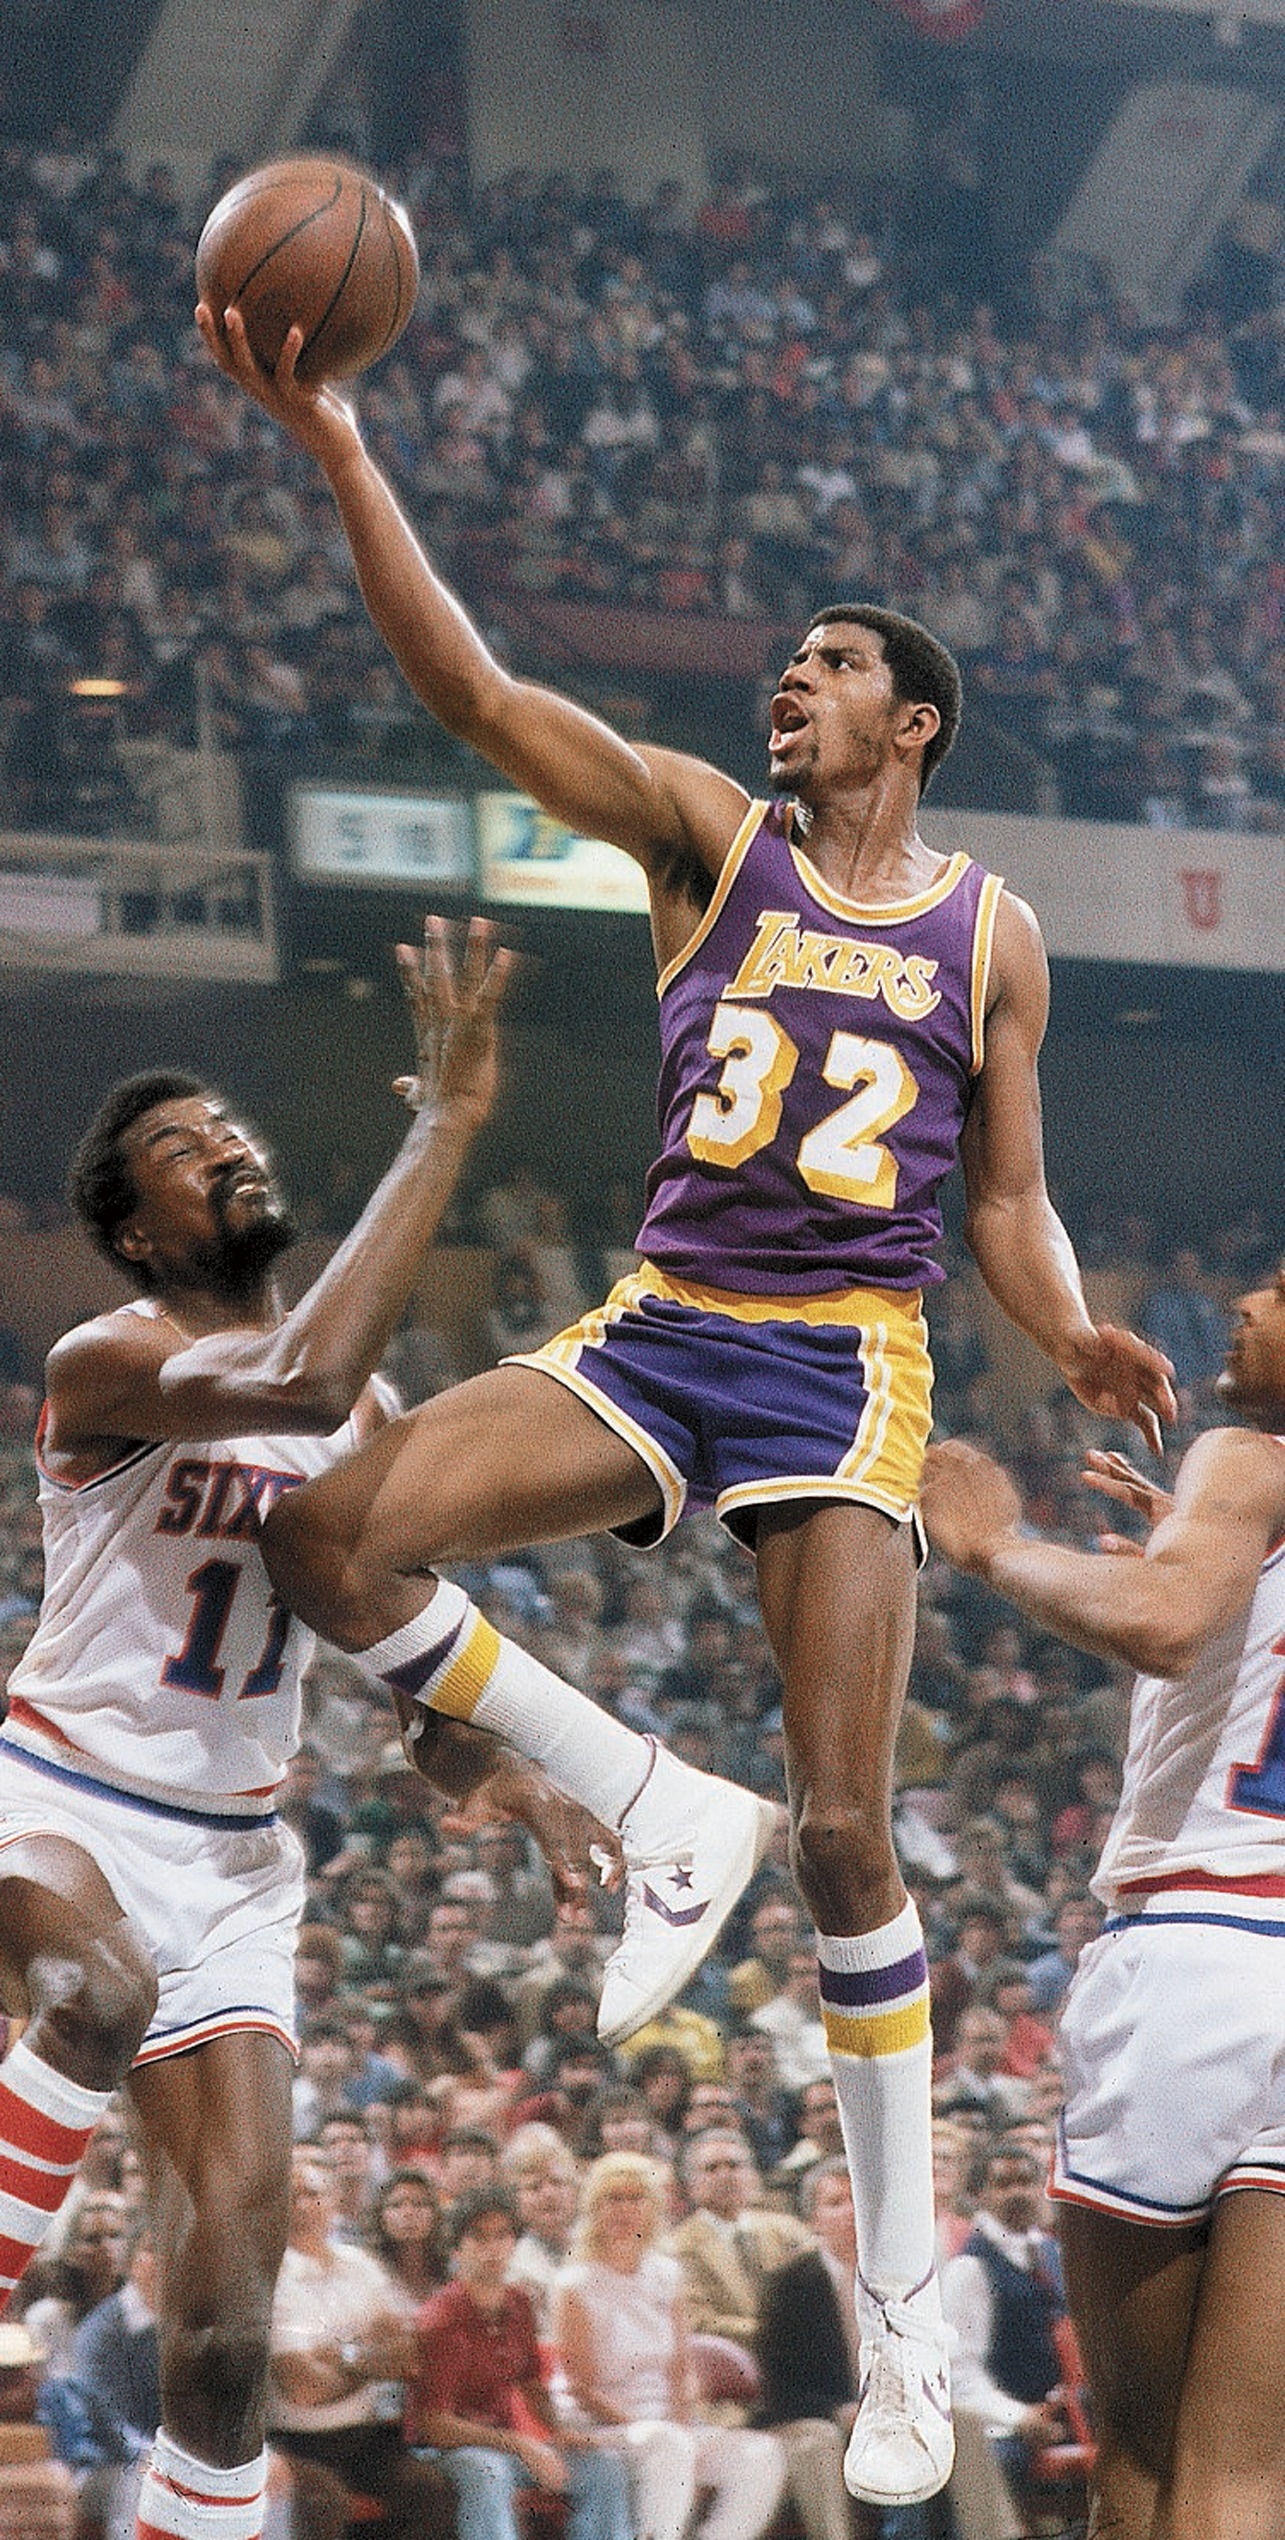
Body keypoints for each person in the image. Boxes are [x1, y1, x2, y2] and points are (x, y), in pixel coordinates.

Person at [200, 295, 1176, 2511]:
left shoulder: (992, 929)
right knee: (331, 1530)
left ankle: (909, 2324)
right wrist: (341, 444)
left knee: (847, 1832)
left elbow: (1004, 1193)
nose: (791, 682)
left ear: (907, 721)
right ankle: (645, 1788)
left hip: (849, 1357)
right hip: (662, 1324)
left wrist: (1082, 1323)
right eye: (791, 663)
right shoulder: (698, 839)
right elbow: (466, 691)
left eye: (832, 664)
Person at [0, 921, 611, 2540]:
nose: (229, 1147)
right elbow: (301, 1365)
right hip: (63, 1798)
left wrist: (517, 1776)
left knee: (219, 2347)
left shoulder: (369, 1421)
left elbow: (415, 1693)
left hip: (238, 1864)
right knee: (94, 1991)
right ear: (133, 1229)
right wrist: (447, 1121)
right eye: (185, 1150)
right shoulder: (110, 1359)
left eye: (235, 1131)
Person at [919, 1257, 1285, 2540]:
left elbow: (1169, 1623)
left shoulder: (1247, 1458)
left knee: (1135, 2454)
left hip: (1200, 1952)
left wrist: (992, 1543)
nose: (1246, 1300)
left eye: (1284, 1289)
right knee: (1245, 2474)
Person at [553, 2149, 788, 2540]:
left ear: (652, 2206)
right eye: (614, 2198)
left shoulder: (665, 2274)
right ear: (595, 2207)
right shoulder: (575, 2284)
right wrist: (653, 2429)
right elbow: (581, 2389)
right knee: (667, 2444)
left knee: (760, 2454)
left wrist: (681, 2426)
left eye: (635, 2198)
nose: (625, 2209)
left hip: (666, 2425)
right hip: (600, 2426)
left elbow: (679, 2369)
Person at [409, 2184, 632, 2540]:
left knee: (603, 2467)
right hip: (442, 2451)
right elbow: (435, 2425)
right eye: (478, 2238)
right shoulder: (442, 2316)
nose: (492, 2249)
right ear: (456, 2246)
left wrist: (558, 2432)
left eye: (502, 2236)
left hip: (503, 2444)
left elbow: (530, 2382)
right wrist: (522, 2444)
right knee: (488, 2472)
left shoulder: (517, 2302)